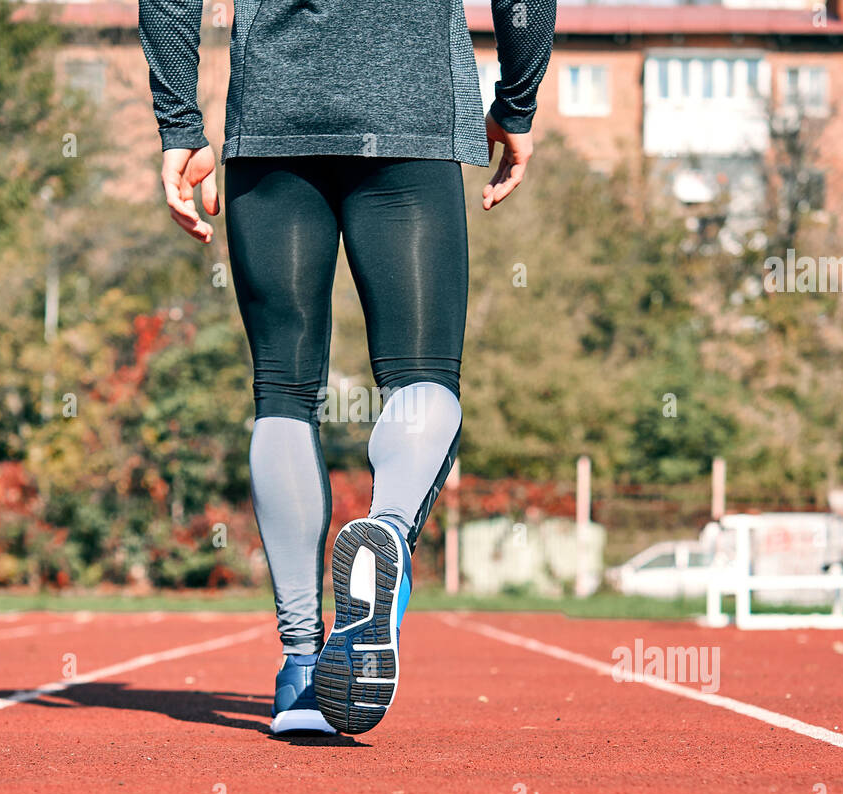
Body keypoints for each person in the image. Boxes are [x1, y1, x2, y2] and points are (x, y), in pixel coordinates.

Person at [140, 0, 554, 734]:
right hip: (411, 118)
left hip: (272, 124)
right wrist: (515, 103)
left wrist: (180, 124)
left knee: (284, 393)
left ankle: (302, 669)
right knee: (422, 377)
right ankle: (388, 532)